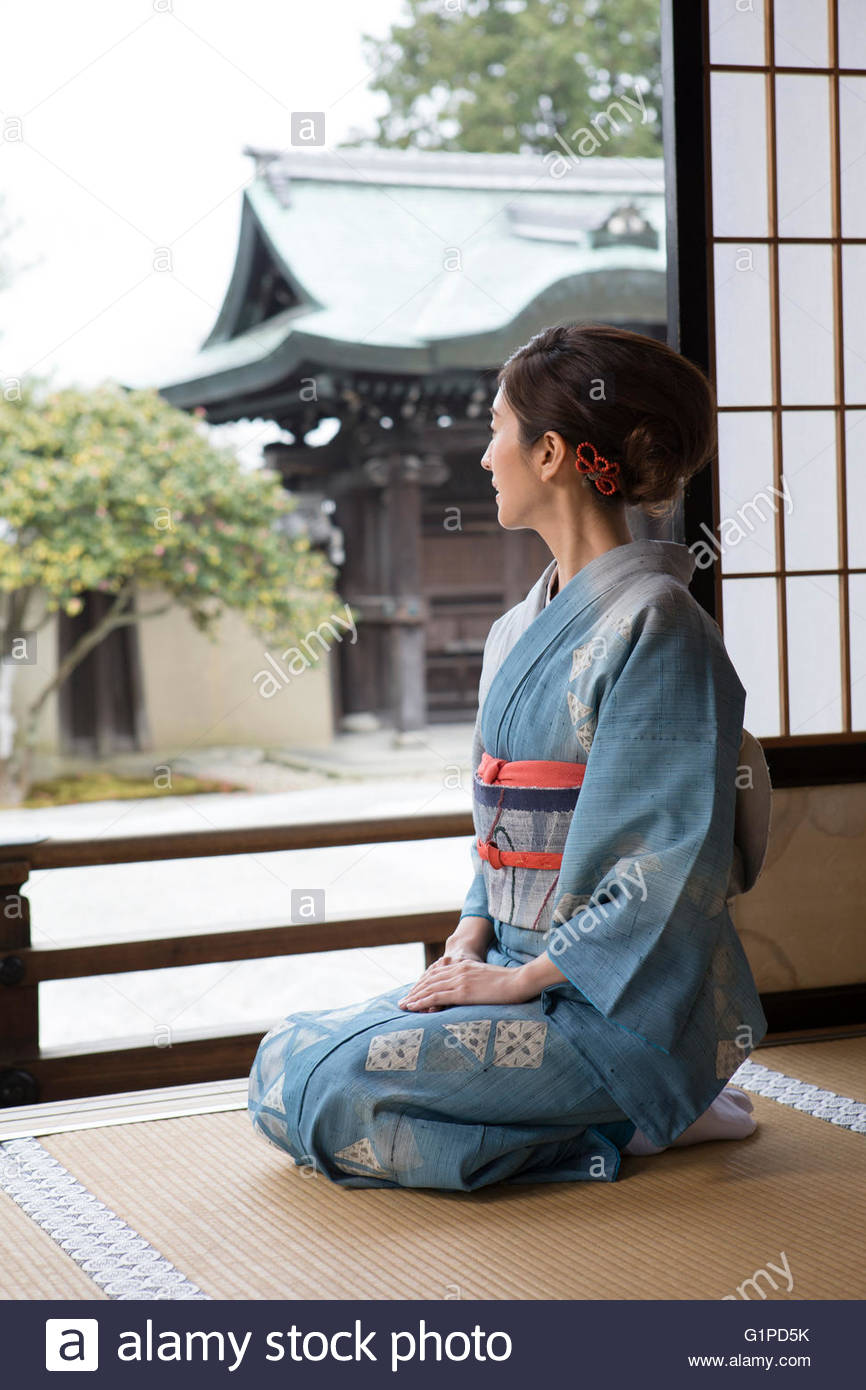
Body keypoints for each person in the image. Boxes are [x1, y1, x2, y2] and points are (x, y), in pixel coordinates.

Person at [247, 322, 769, 1189]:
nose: (487, 456)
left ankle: (646, 1103)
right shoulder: (512, 631)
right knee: (284, 1061)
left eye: (497, 429)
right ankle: (620, 1119)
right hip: (508, 973)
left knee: (338, 1092)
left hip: (616, 1003)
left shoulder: (660, 628)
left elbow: (668, 868)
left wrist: (526, 979)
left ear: (554, 452)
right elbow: (497, 835)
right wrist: (470, 944)